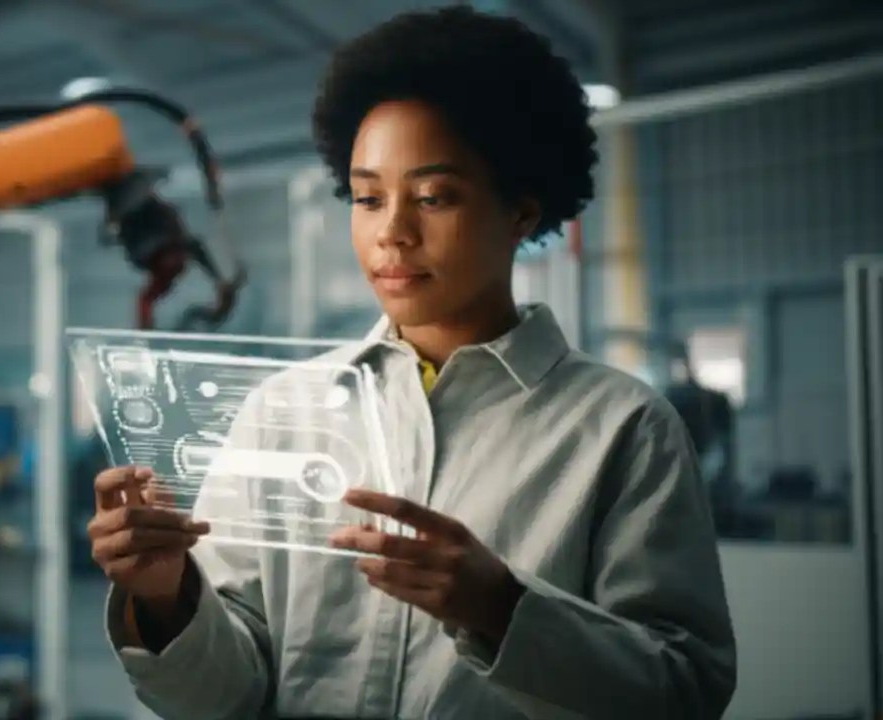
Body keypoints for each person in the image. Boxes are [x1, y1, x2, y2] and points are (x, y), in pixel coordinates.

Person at [88, 6, 736, 719]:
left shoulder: (621, 429)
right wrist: (166, 596)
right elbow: (228, 698)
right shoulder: (284, 411)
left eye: (432, 197)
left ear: (522, 211)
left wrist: (503, 608)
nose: (391, 232)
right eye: (367, 198)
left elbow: (686, 691)